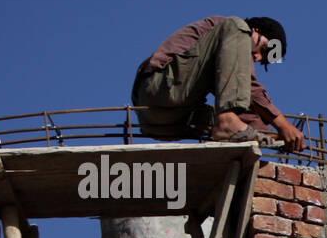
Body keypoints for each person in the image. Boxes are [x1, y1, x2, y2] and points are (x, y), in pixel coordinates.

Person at [131, 15, 305, 151]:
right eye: (264, 49)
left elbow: (244, 105)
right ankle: (227, 124)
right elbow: (251, 89)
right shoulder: (231, 30)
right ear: (255, 30)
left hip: (167, 122)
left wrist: (277, 137)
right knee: (236, 25)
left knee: (235, 110)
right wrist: (283, 124)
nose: (257, 57)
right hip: (158, 89)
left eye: (264, 59)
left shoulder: (226, 60)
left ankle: (231, 125)